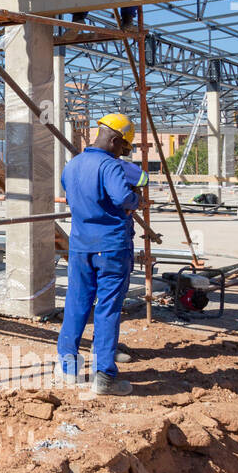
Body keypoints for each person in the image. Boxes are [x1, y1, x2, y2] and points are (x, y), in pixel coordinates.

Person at [57, 113, 146, 396]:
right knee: (107, 309)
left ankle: (69, 369)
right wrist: (136, 200)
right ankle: (105, 377)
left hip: (81, 245)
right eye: (124, 147)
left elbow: (72, 196)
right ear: (115, 139)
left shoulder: (72, 166)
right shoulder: (110, 166)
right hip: (111, 247)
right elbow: (122, 197)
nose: (123, 153)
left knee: (76, 303)